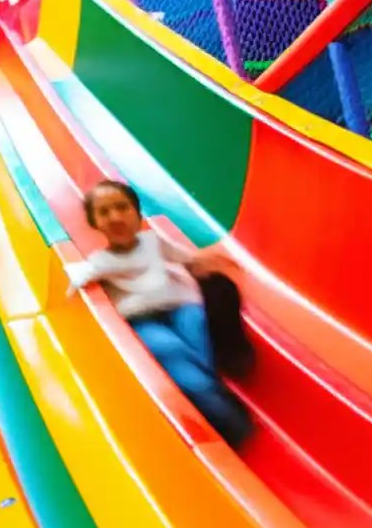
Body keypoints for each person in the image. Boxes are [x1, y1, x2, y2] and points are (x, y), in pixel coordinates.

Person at [65, 179, 253, 447]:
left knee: (198, 329)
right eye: (105, 212)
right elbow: (76, 279)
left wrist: (208, 262)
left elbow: (184, 258)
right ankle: (224, 414)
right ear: (95, 223)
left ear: (137, 213)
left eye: (122, 208)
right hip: (142, 319)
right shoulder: (100, 262)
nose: (116, 217)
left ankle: (210, 384)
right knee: (170, 348)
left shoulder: (153, 241)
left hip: (181, 306)